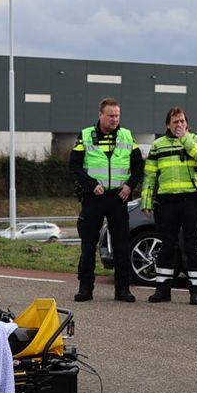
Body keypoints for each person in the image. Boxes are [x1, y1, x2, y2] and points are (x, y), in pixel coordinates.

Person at [69, 98, 143, 302]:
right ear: (100, 115)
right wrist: (91, 184)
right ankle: (85, 289)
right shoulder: (85, 135)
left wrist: (130, 186)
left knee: (121, 244)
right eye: (110, 115)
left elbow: (138, 166)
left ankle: (122, 290)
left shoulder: (127, 135)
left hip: (118, 198)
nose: (114, 119)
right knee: (88, 244)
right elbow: (74, 165)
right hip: (94, 198)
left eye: (117, 115)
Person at [140, 107, 197, 305]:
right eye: (175, 122)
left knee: (192, 245)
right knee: (167, 245)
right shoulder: (158, 145)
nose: (178, 125)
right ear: (167, 126)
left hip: (192, 200)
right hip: (167, 202)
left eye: (181, 121)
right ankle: (162, 289)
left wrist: (186, 140)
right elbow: (150, 176)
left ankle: (196, 290)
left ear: (187, 123)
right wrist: (146, 201)